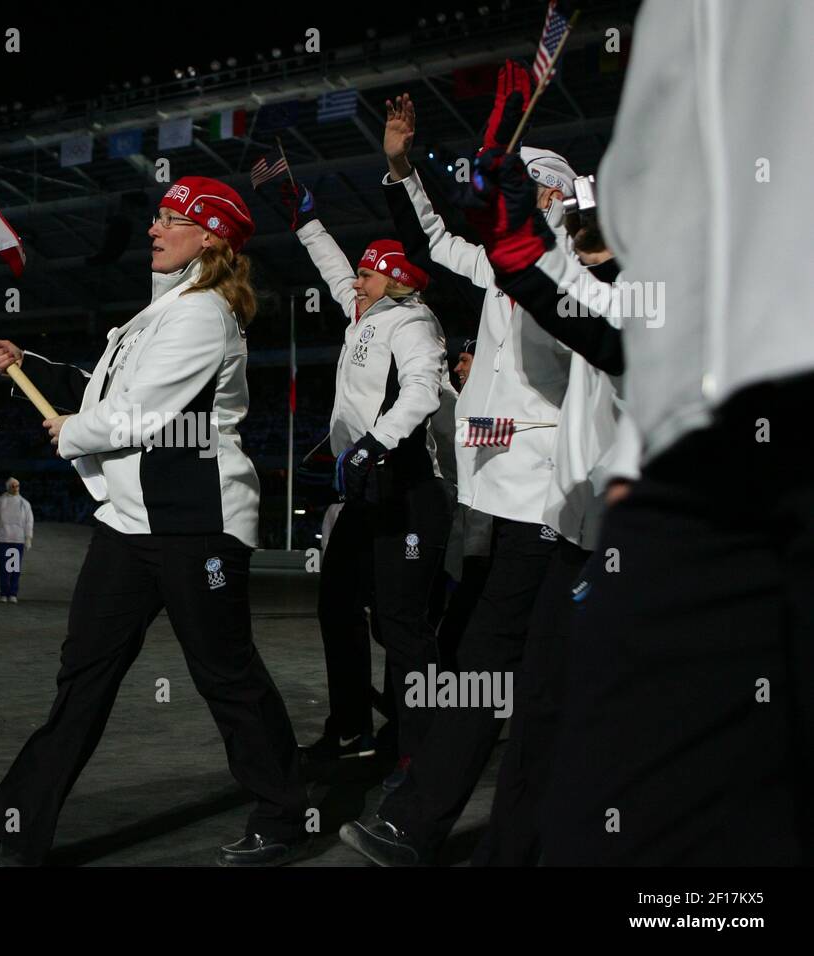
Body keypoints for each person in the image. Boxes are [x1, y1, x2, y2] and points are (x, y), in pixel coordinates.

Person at [0, 175, 310, 867]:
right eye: (159, 216)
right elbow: (111, 388)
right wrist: (31, 365)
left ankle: (286, 817)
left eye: (170, 219)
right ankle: (14, 825)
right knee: (83, 676)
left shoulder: (203, 314)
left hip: (197, 526)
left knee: (225, 675)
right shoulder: (156, 315)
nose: (153, 229)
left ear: (209, 238)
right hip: (131, 524)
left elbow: (145, 414)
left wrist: (71, 431)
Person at [538, 0, 814, 865]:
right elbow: (664, 186)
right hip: (706, 458)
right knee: (633, 815)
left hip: (720, 440)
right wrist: (646, 449)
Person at [340, 62, 578, 866]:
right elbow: (434, 240)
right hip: (494, 498)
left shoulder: (571, 277)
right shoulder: (503, 267)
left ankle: (418, 819)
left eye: (519, 189)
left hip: (549, 504)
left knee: (493, 664)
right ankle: (435, 803)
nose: (500, 203)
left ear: (552, 199)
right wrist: (402, 168)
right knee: (487, 659)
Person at [279, 180, 451, 787]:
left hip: (407, 488)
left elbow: (424, 392)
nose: (355, 282)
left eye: (368, 275)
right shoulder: (367, 311)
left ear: (394, 282)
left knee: (402, 624)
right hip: (366, 486)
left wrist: (374, 444)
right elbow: (334, 270)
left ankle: (420, 749)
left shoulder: (413, 324)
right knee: (337, 606)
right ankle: (351, 731)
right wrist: (306, 222)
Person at [0, 477, 34, 604]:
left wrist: (28, 538)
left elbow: (29, 522)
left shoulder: (24, 503)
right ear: (8, 487)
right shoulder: (1, 501)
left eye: (17, 486)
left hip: (17, 540)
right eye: (13, 486)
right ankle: (4, 593)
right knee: (4, 569)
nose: (15, 488)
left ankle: (13, 593)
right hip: (3, 539)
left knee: (14, 569)